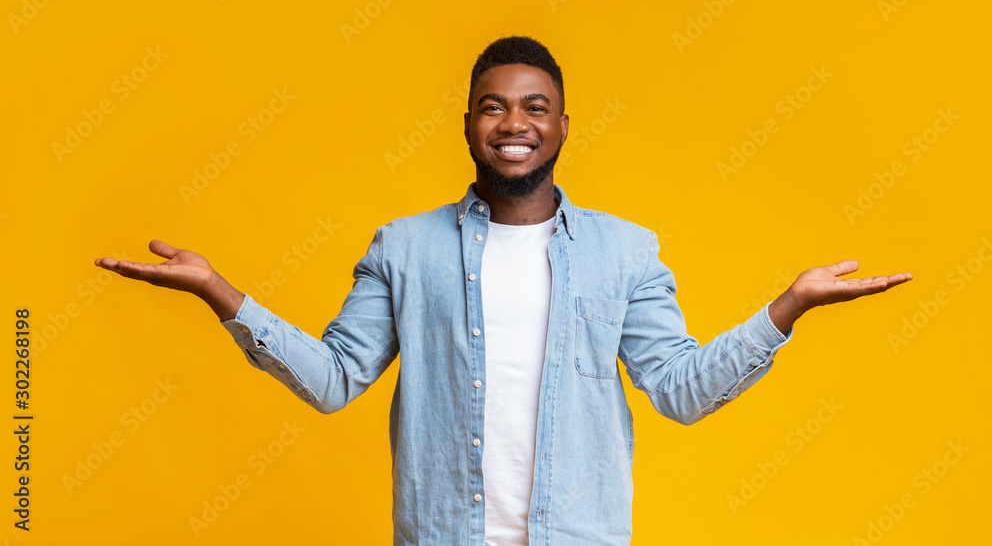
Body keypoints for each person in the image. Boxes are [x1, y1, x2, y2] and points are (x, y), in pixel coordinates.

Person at [95, 36, 912, 545]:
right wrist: (219, 291)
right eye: (493, 105)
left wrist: (788, 306)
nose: (512, 122)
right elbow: (335, 379)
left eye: (534, 107)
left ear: (562, 125)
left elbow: (680, 390)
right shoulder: (404, 247)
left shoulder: (627, 252)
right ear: (469, 124)